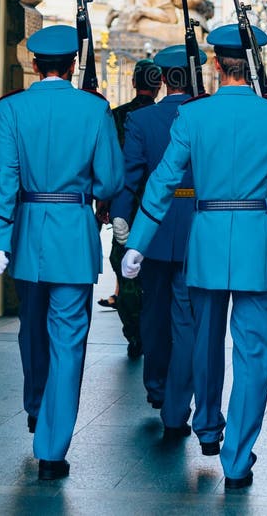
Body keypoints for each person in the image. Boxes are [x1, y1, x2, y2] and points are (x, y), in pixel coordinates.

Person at [121, 24, 267, 491]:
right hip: (257, 243)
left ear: (217, 65)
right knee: (255, 354)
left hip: (205, 240)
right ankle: (237, 458)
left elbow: (163, 181)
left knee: (203, 338)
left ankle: (206, 425)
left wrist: (138, 242)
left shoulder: (194, 115)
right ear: (256, 64)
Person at [0, 25, 124, 480]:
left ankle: (36, 404)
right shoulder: (94, 108)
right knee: (68, 342)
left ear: (33, 64)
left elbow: (3, 177)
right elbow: (109, 181)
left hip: (26, 234)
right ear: (72, 65)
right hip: (73, 235)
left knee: (31, 329)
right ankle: (51, 449)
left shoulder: (10, 108)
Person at [110, 44, 207, 437]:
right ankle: (177, 407)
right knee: (186, 318)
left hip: (153, 225)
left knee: (152, 310)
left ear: (164, 78)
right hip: (197, 225)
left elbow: (129, 175)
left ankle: (156, 385)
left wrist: (120, 214)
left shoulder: (142, 119)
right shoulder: (206, 116)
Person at [104, 59, 162, 359]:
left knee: (124, 271)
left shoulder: (116, 117)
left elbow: (108, 166)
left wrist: (105, 205)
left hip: (124, 207)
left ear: (133, 83)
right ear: (159, 85)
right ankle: (152, 331)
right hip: (156, 209)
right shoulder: (164, 118)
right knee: (155, 272)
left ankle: (133, 332)